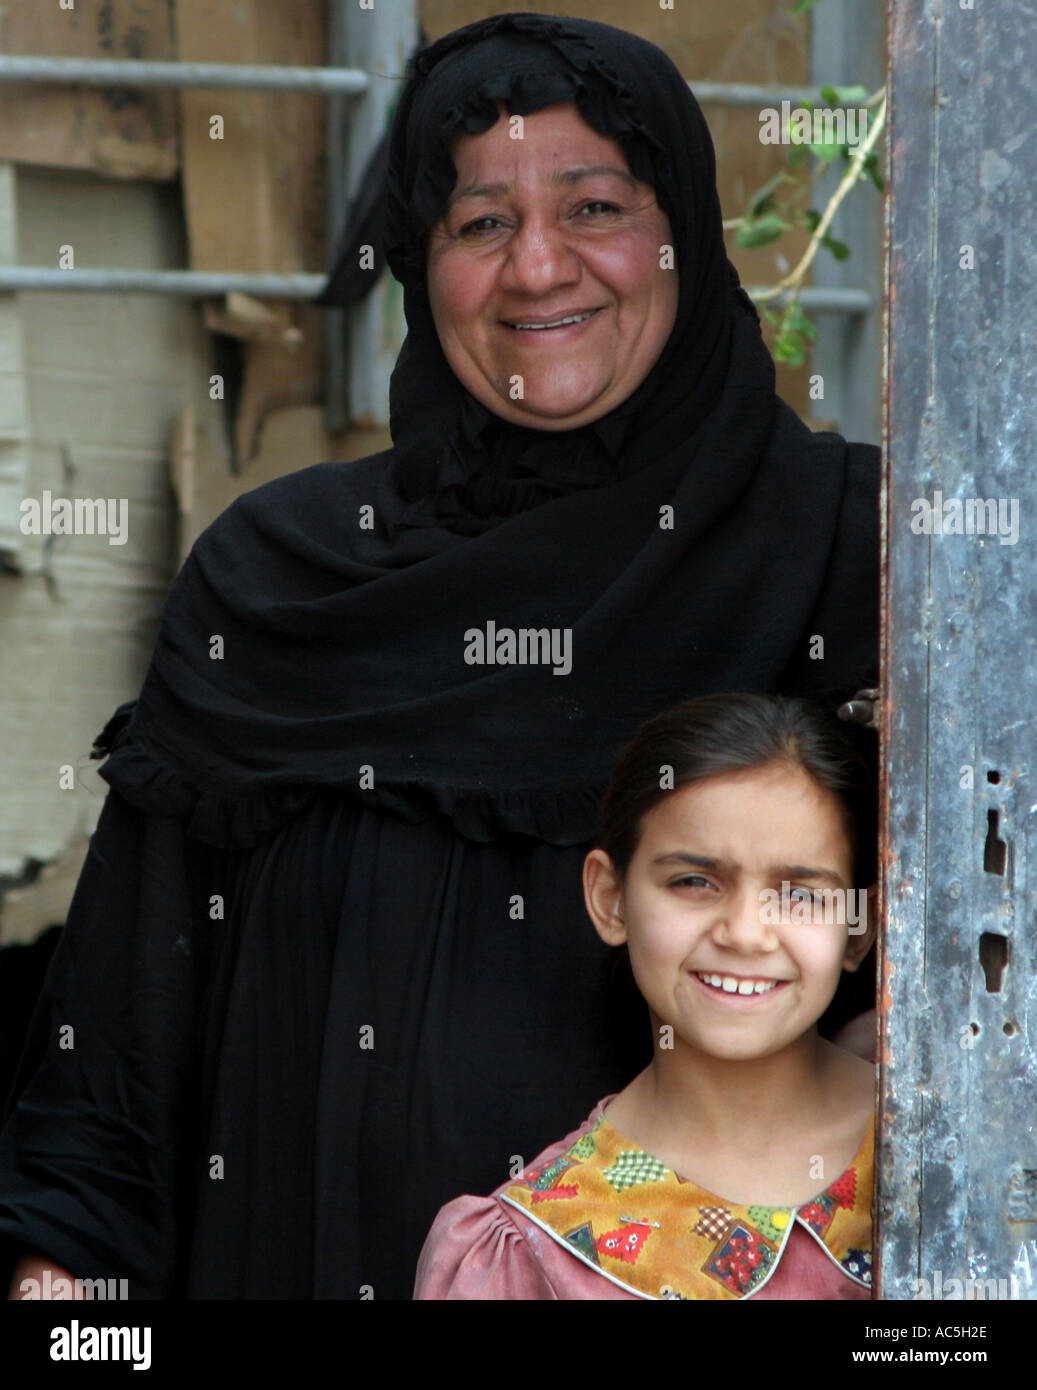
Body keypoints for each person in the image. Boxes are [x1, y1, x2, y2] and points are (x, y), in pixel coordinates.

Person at [0, 13, 880, 1300]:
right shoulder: (280, 580)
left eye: (593, 206)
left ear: (679, 231)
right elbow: (118, 1041)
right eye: (477, 222)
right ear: (421, 264)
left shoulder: (841, 555)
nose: (536, 268)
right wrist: (62, 1299)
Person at [415, 692, 877, 1300]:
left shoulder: (964, 1136)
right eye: (694, 881)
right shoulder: (532, 1252)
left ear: (860, 928)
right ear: (611, 900)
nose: (743, 932)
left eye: (799, 894)